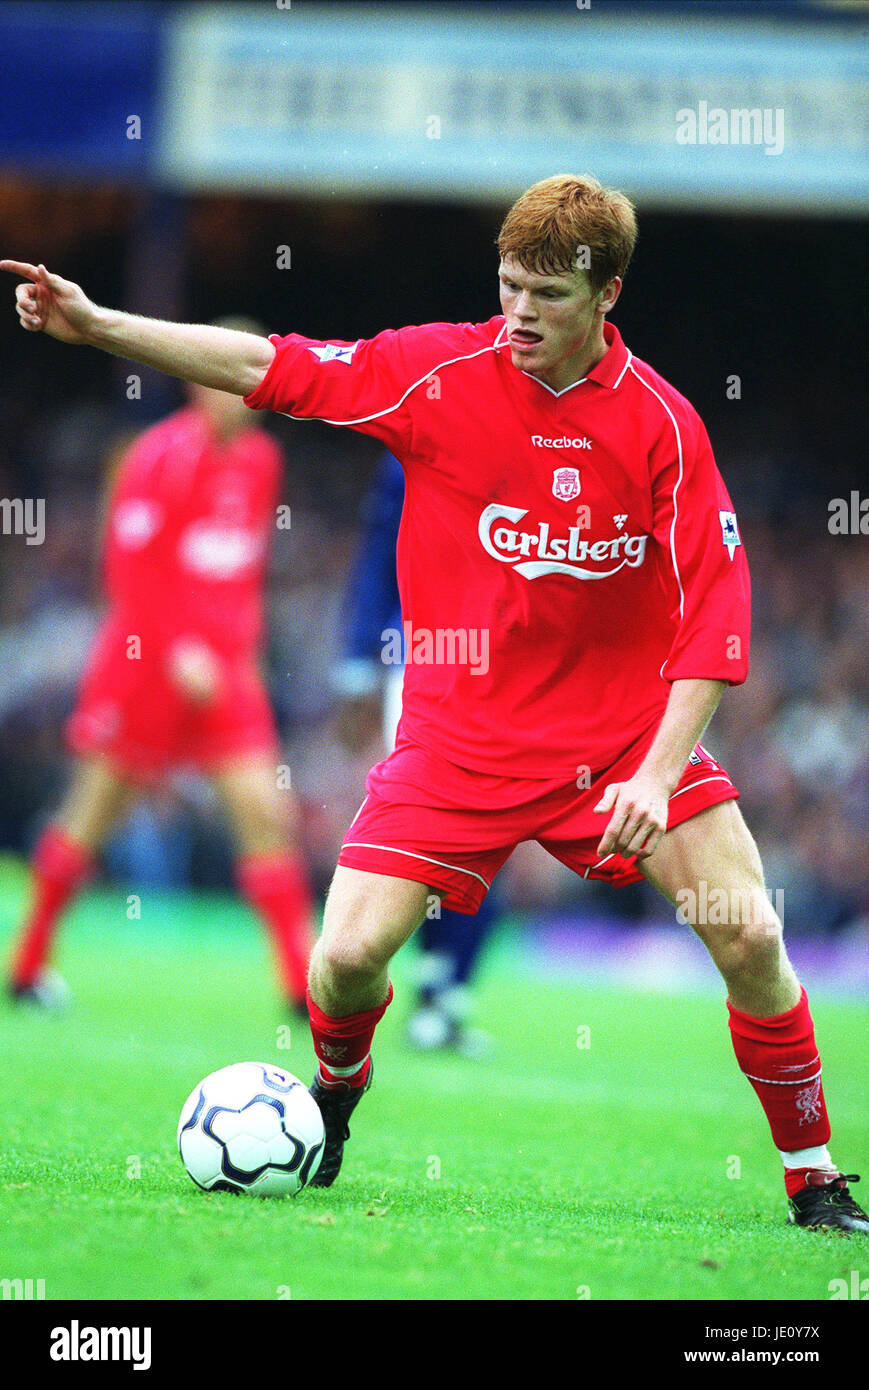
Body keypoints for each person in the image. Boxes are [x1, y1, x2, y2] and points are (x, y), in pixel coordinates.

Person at [3, 173, 865, 1233]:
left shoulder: (664, 428)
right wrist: (97, 327)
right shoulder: (434, 372)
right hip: (457, 741)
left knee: (749, 937)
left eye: (547, 293)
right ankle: (337, 1087)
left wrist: (652, 771)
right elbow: (265, 364)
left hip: (622, 743)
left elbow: (714, 618)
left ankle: (812, 1175)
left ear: (607, 294)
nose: (519, 312)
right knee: (347, 958)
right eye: (507, 286)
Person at [5, 337, 314, 1014]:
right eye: (232, 380)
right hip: (146, 665)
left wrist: (244, 655)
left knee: (265, 813)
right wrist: (175, 648)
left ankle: (301, 986)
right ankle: (26, 967)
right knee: (93, 814)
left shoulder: (262, 461)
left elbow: (242, 572)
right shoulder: (158, 455)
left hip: (225, 673)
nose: (245, 394)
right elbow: (128, 566)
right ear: (202, 383)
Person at [332, 449, 497, 1056]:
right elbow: (381, 549)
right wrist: (357, 660)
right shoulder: (424, 432)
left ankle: (448, 987)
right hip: (427, 655)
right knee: (434, 826)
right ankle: (435, 986)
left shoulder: (551, 430)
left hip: (519, 663)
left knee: (493, 828)